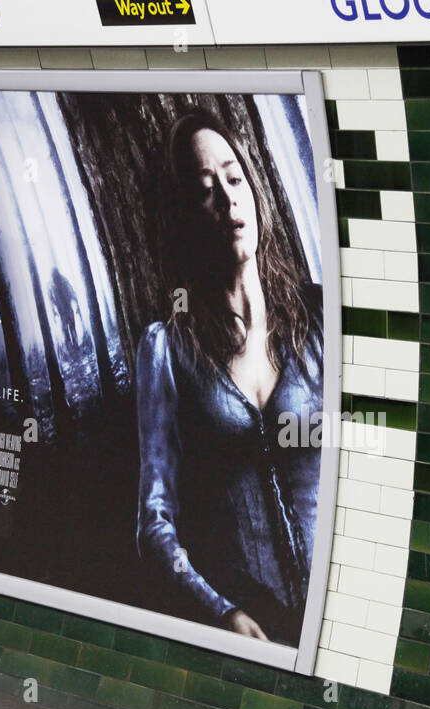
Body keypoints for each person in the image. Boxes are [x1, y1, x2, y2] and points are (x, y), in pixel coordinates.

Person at [135, 111, 323, 648]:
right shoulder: (167, 349)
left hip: (334, 611)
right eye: (203, 190)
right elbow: (155, 522)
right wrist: (220, 612)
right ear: (184, 219)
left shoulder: (321, 318)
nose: (226, 198)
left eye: (234, 178)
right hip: (251, 625)